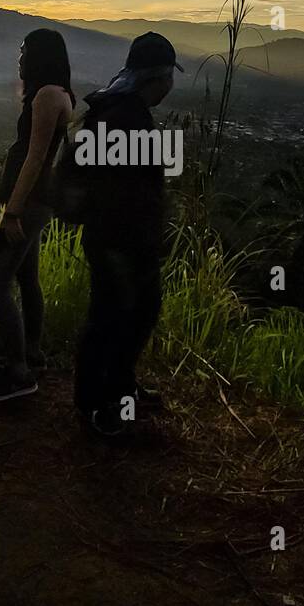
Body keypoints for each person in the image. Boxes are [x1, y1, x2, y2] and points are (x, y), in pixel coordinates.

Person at [72, 31, 182, 436]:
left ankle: (116, 391)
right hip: (121, 240)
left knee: (125, 315)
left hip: (111, 236)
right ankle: (104, 408)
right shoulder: (126, 117)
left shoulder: (112, 107)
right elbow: (128, 190)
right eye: (170, 77)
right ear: (160, 77)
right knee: (118, 320)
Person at [0, 29, 76, 404]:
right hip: (35, 201)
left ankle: (17, 372)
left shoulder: (48, 95)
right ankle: (31, 353)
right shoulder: (54, 92)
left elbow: (35, 157)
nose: (19, 58)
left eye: (24, 51)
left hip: (29, 203)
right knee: (27, 277)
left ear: (39, 54)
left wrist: (12, 211)